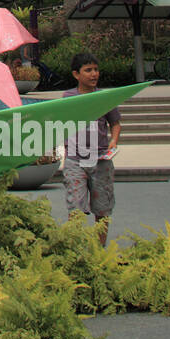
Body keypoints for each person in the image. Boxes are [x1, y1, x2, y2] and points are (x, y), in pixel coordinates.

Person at [61, 51, 121, 246]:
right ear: (76, 74)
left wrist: (114, 141)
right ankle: (75, 252)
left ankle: (98, 253)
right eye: (88, 70)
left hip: (101, 160)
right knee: (75, 209)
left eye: (96, 70)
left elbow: (115, 123)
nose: (94, 74)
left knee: (102, 210)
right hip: (75, 161)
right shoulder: (68, 97)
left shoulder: (105, 97)